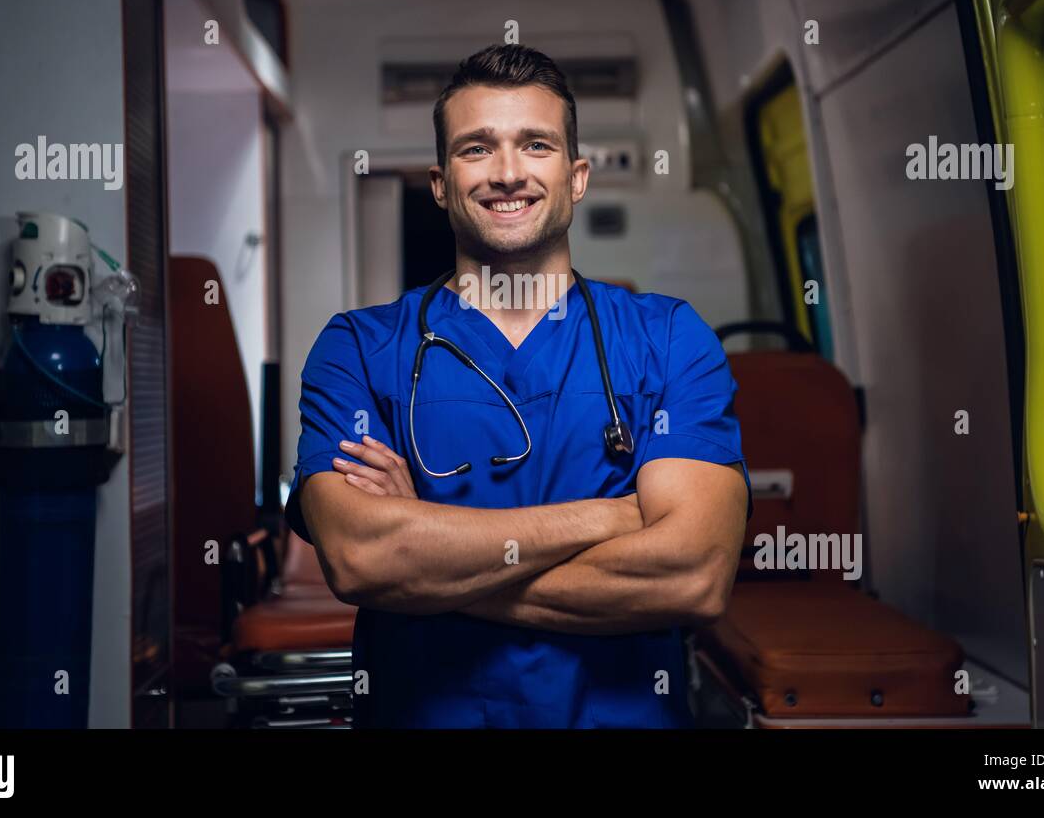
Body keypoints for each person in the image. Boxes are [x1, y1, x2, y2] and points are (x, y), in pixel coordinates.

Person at [288, 43, 751, 728]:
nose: (508, 173)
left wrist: (427, 566)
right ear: (441, 182)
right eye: (477, 149)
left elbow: (694, 575)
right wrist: (620, 515)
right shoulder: (358, 348)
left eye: (535, 145)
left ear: (578, 176)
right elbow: (362, 560)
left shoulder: (670, 339)